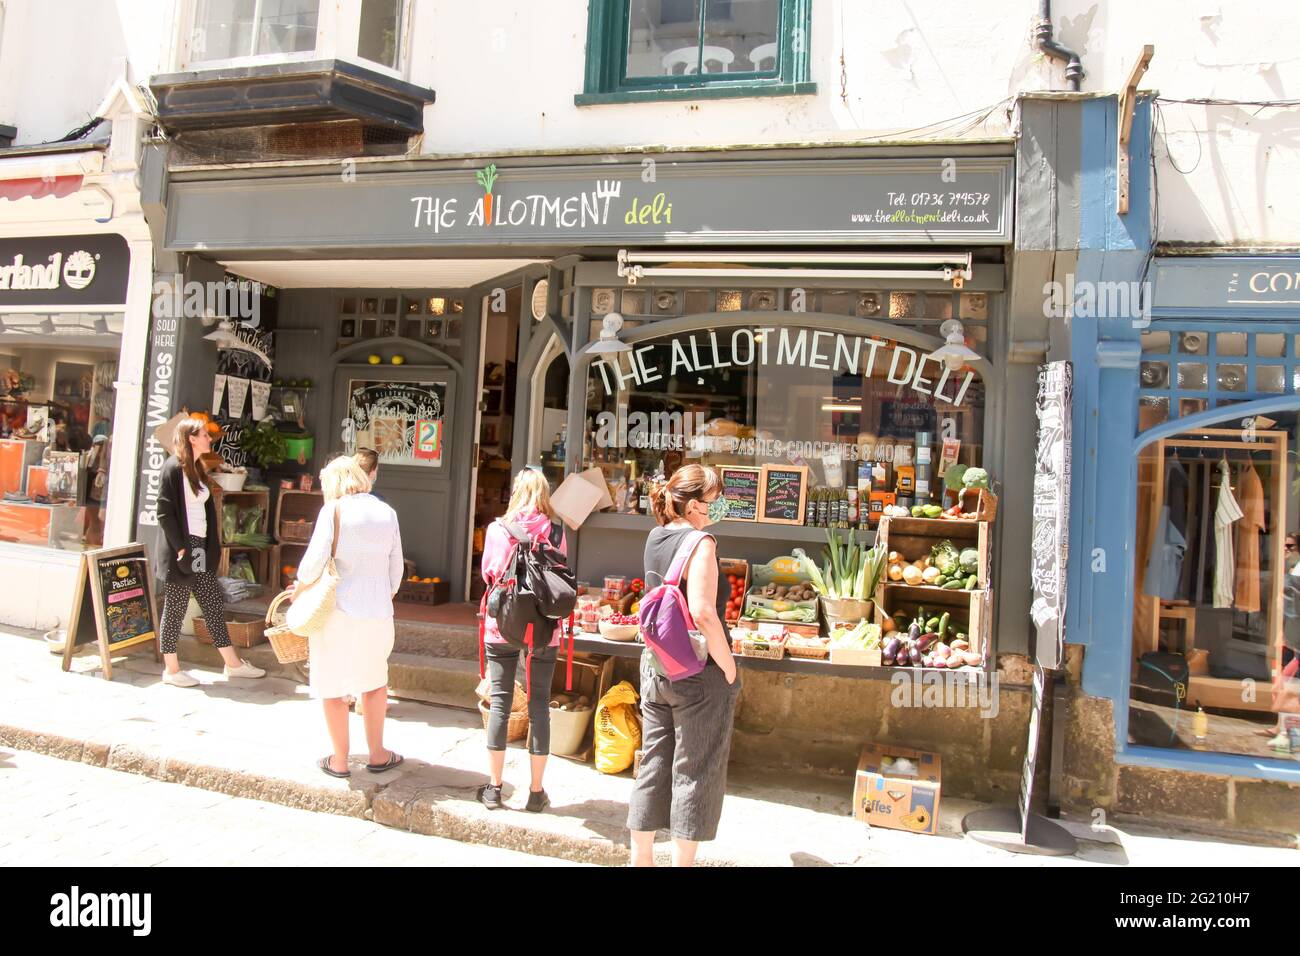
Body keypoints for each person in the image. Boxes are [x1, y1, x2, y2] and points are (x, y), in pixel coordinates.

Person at [628, 463, 739, 867]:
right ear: (693, 505)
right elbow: (704, 613)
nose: (715, 509)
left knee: (653, 764)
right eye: (712, 502)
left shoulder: (655, 537)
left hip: (656, 665)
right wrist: (728, 668)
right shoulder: (702, 543)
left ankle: (640, 860)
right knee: (694, 771)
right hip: (697, 671)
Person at [291, 455, 405, 777]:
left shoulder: (333, 511)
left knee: (332, 685)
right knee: (374, 683)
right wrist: (384, 593)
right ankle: (378, 754)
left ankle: (339, 760)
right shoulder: (387, 512)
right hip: (379, 613)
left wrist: (300, 588)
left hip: (337, 612)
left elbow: (312, 565)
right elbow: (396, 568)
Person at [477, 468, 569, 812]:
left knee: (500, 703)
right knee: (539, 706)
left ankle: (495, 787)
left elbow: (489, 573)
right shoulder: (557, 531)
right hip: (544, 627)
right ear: (545, 493)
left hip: (502, 625)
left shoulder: (497, 530)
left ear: (516, 491)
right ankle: (535, 791)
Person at [155, 417, 267, 686]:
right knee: (176, 606)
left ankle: (233, 663)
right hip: (184, 548)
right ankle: (171, 670)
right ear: (191, 438)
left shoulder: (196, 468)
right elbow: (164, 511)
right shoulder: (173, 467)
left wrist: (203, 546)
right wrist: (181, 547)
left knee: (212, 603)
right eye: (204, 434)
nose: (208, 438)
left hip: (199, 546)